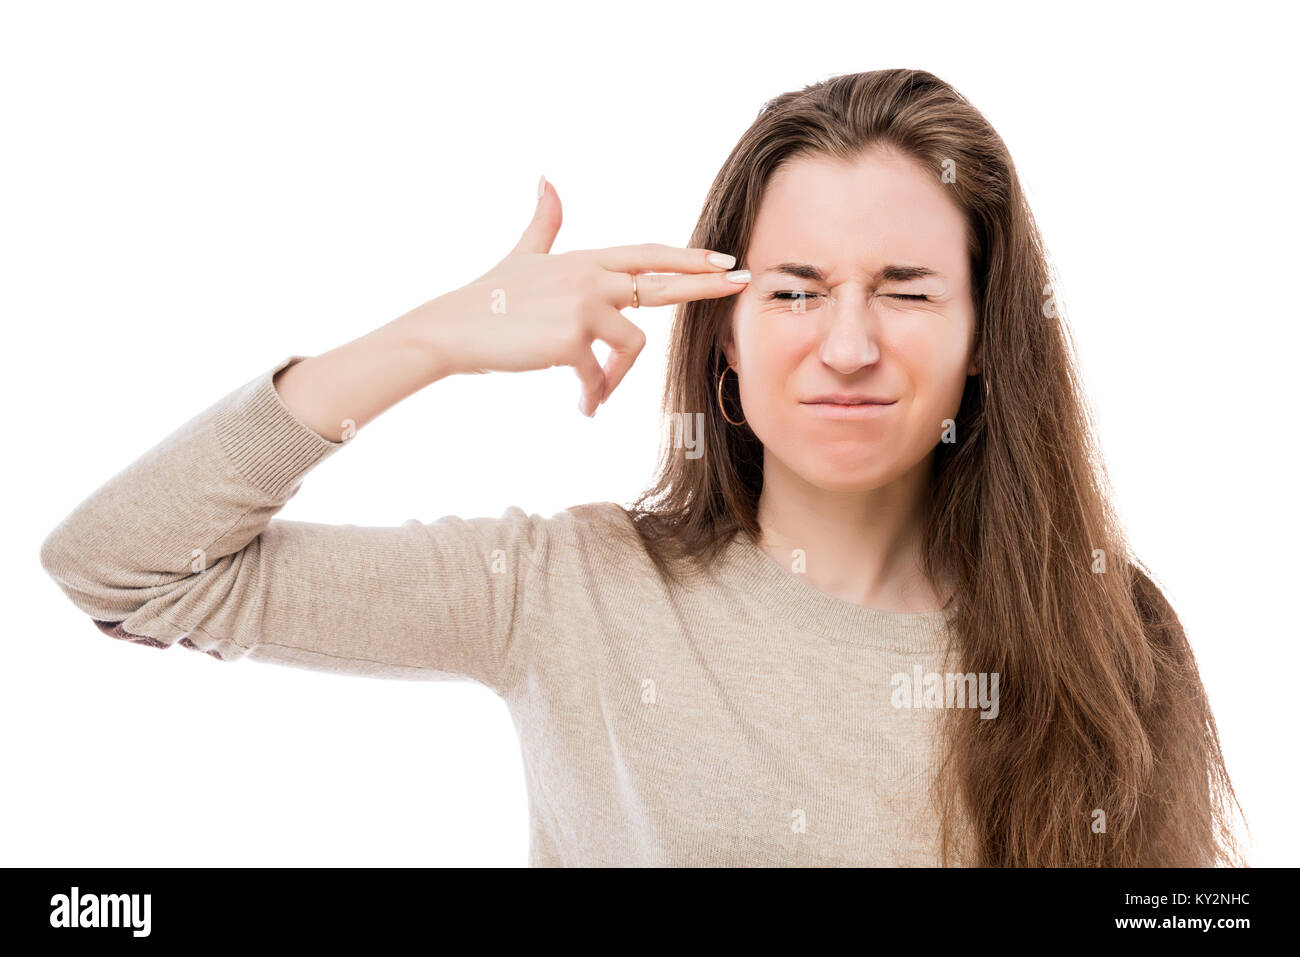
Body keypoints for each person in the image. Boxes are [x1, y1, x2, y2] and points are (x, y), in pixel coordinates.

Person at [39, 68, 1245, 867]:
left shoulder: (1108, 634)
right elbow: (123, 569)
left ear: (986, 343)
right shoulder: (567, 589)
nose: (848, 345)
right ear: (722, 333)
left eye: (907, 290)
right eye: (796, 288)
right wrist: (431, 339)